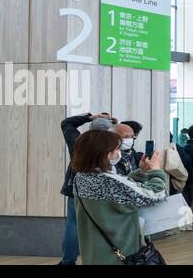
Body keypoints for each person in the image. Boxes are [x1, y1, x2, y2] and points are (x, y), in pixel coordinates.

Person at [69, 129, 169, 265]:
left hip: (93, 254)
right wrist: (156, 171)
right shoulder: (110, 181)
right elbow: (155, 194)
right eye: (116, 149)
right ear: (106, 154)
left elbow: (119, 191)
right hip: (120, 257)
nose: (118, 153)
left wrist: (141, 172)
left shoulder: (80, 177)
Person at [59, 111, 115, 264]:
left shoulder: (78, 140)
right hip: (103, 188)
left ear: (91, 127)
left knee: (73, 225)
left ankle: (68, 261)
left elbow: (66, 123)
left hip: (77, 187)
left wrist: (89, 117)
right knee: (104, 225)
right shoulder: (110, 145)